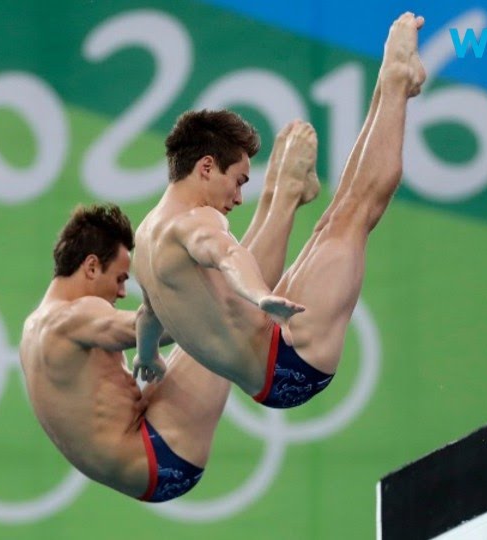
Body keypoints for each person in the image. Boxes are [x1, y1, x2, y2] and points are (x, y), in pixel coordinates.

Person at [132, 13, 427, 409]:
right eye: (237, 180)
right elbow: (228, 253)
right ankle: (395, 81)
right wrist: (260, 295)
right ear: (205, 167)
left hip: (267, 380)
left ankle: (390, 78)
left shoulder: (146, 237)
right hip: (293, 356)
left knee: (333, 221)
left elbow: (148, 316)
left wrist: (146, 354)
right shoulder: (195, 221)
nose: (237, 198)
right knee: (354, 213)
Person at [19, 121, 319, 502]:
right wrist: (170, 287)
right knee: (224, 307)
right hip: (160, 456)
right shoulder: (75, 316)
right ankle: (286, 192)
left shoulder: (35, 327)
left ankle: (280, 194)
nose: (123, 291)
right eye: (120, 277)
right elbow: (160, 322)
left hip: (143, 464)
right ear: (91, 266)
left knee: (220, 294)